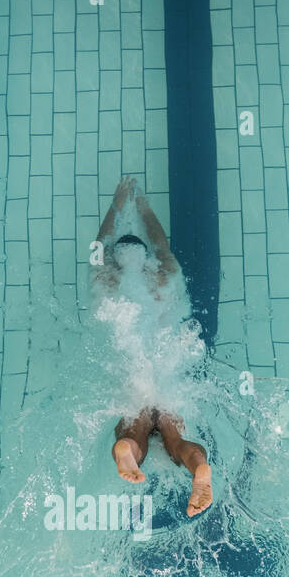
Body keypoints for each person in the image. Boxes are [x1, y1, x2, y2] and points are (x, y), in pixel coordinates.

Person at [92, 176, 213, 519]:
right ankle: (198, 466)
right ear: (146, 259)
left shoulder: (106, 278)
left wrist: (116, 203)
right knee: (177, 442)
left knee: (134, 431)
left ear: (117, 261)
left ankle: (126, 448)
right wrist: (142, 206)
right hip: (167, 373)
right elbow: (162, 244)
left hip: (136, 376)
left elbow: (99, 245)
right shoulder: (164, 274)